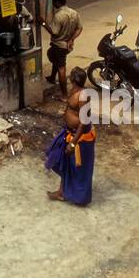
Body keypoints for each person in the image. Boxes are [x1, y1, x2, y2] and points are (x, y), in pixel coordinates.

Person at [45, 67, 94, 205]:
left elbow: (84, 121)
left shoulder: (83, 95)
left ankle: (78, 197)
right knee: (62, 160)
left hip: (79, 137)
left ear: (73, 79)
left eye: (70, 76)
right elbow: (73, 109)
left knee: (78, 169)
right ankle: (61, 191)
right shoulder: (74, 90)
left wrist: (73, 142)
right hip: (68, 132)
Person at [41, 0, 82, 96]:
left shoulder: (58, 16)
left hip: (59, 45)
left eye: (53, 2)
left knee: (61, 68)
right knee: (53, 57)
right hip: (66, 45)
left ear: (57, 2)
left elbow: (54, 33)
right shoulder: (74, 12)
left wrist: (43, 23)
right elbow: (79, 28)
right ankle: (52, 77)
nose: (53, 4)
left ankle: (64, 95)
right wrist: (71, 39)